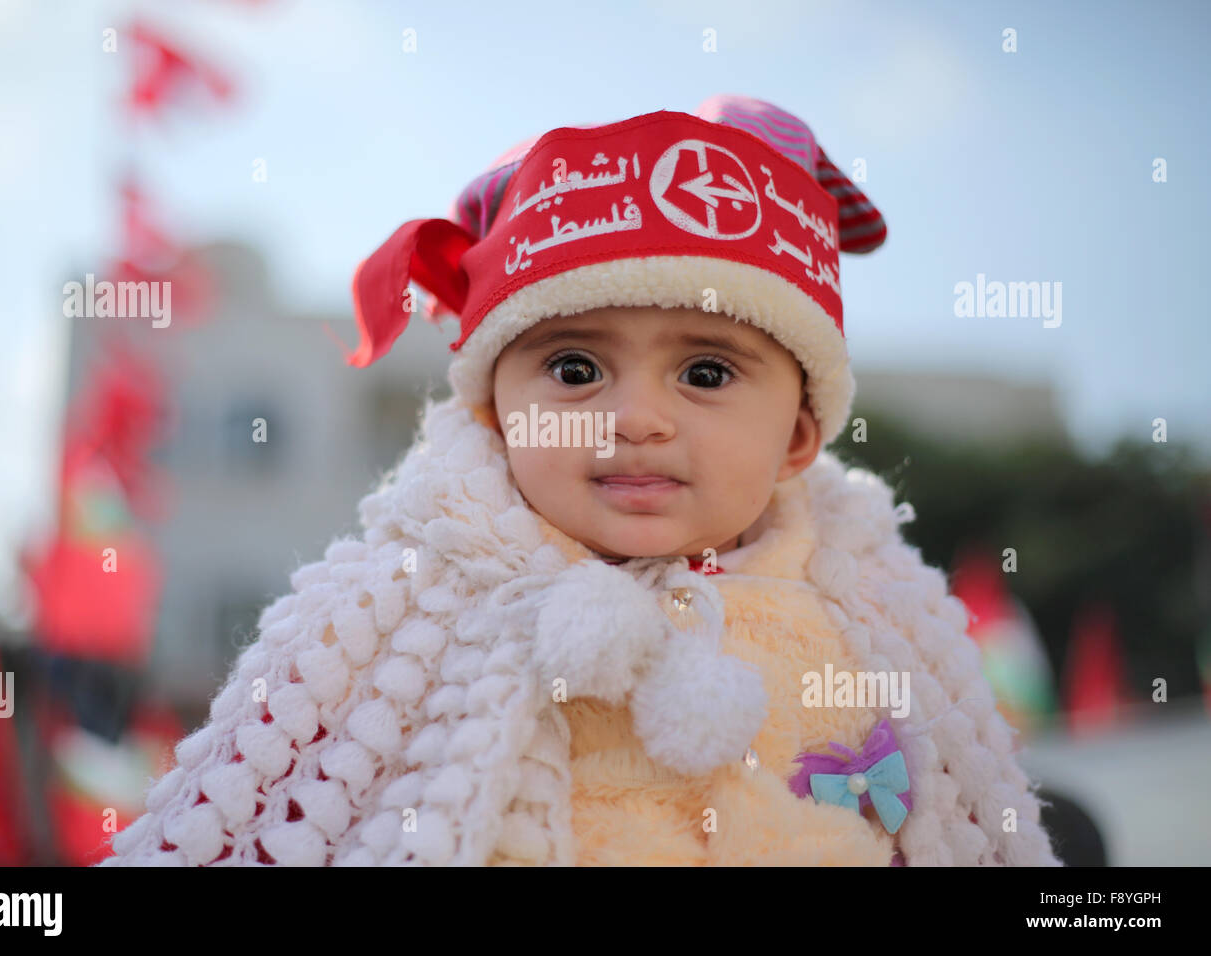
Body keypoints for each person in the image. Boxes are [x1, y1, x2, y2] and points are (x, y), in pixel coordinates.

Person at [99, 94, 1061, 866]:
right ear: (493, 412)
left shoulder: (879, 614)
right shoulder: (387, 612)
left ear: (800, 437)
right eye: (573, 370)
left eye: (707, 373)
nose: (637, 416)